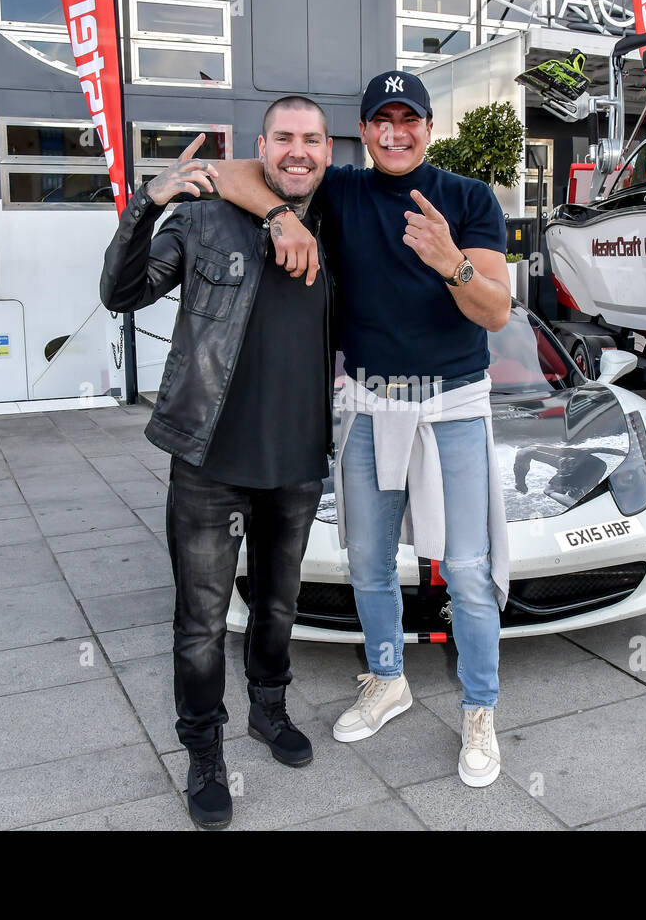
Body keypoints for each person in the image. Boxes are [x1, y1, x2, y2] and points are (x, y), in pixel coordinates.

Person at [206, 71, 512, 788]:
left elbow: (495, 311)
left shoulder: (467, 198)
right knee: (368, 563)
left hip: (454, 406)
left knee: (467, 570)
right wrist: (282, 219)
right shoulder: (340, 191)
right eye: (382, 120)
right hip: (371, 407)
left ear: (429, 129)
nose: (395, 132)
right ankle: (387, 679)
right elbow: (224, 173)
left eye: (409, 120)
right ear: (365, 130)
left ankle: (480, 709)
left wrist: (452, 263)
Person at [99, 96, 335, 828]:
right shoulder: (202, 218)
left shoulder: (342, 220)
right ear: (261, 145)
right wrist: (147, 201)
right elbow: (121, 292)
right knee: (200, 622)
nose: (299, 152)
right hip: (209, 459)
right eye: (285, 138)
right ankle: (204, 749)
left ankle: (269, 708)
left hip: (297, 457)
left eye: (313, 140)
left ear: (329, 150)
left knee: (278, 604)